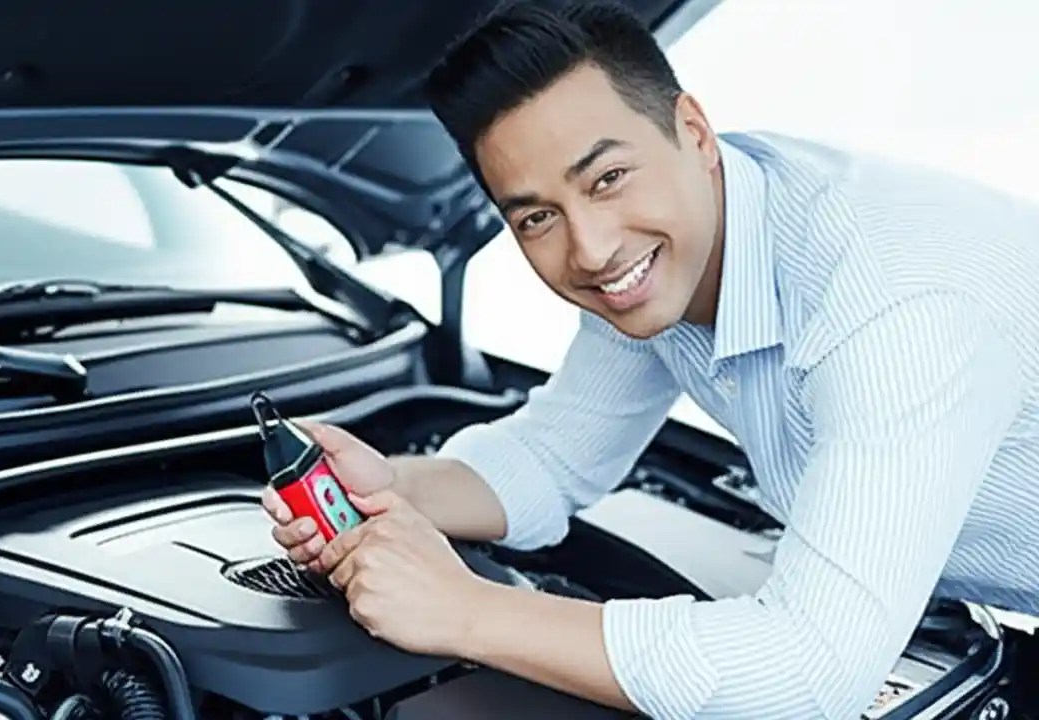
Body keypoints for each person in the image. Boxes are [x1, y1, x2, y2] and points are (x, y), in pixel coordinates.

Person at [261, 0, 1039, 717]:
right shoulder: (666, 260)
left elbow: (811, 672)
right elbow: (555, 455)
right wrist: (394, 489)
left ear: (693, 131)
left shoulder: (893, 303)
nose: (591, 250)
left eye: (608, 178)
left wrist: (466, 611)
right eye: (537, 217)